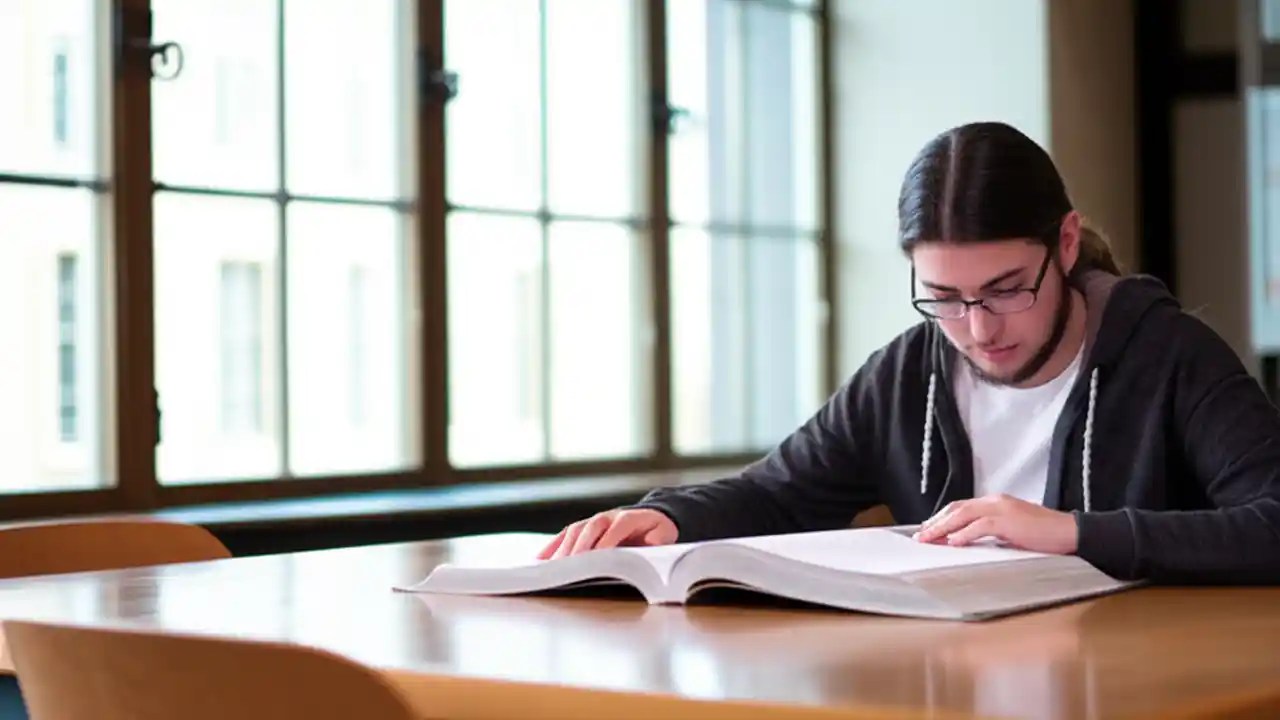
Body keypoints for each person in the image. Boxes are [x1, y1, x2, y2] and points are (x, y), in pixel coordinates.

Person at [538, 121, 1280, 584]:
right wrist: (669, 520)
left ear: (1063, 243)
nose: (978, 328)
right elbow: (779, 492)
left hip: (1145, 681)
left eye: (1006, 289)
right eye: (944, 297)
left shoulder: (1169, 355)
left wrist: (1073, 533)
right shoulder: (908, 373)